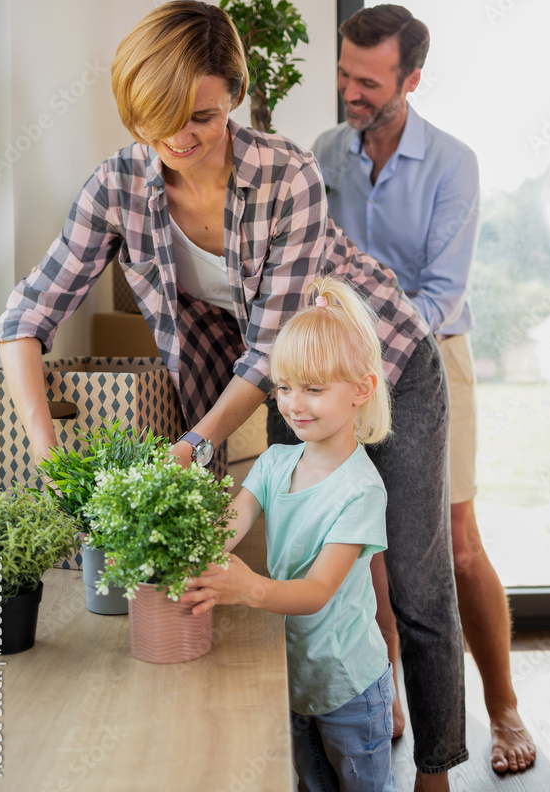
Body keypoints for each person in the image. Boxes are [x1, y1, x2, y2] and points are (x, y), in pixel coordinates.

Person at [0, 0, 466, 789]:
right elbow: (24, 315)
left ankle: (436, 770)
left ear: (235, 98)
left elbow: (267, 343)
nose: (181, 137)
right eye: (160, 118)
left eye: (203, 116)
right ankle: (350, 709)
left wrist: (195, 444)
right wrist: (44, 448)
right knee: (304, 561)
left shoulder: (285, 171)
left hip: (380, 364)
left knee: (418, 582)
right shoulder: (118, 185)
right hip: (287, 385)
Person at [312, 3, 536, 775]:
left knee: (455, 545)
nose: (350, 91)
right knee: (372, 544)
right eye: (343, 73)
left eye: (367, 80)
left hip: (431, 362)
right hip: (345, 371)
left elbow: (440, 291)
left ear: (410, 79)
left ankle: (502, 705)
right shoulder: (324, 154)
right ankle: (391, 690)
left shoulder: (451, 162)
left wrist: (381, 347)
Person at [182, 274, 398, 792]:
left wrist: (248, 588)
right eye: (283, 387)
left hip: (349, 683)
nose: (294, 404)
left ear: (361, 390)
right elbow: (229, 527)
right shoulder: (276, 462)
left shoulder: (361, 490)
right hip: (294, 673)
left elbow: (318, 592)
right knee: (312, 783)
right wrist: (182, 546)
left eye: (314, 389)